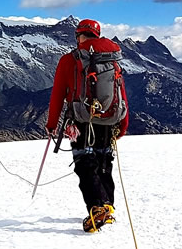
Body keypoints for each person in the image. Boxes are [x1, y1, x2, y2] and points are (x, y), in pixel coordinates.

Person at [44, 19, 130, 232]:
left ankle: (96, 207)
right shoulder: (112, 59)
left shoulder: (70, 59)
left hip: (82, 120)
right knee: (104, 161)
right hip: (109, 118)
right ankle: (107, 205)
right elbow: (120, 92)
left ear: (78, 36)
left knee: (85, 163)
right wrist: (123, 123)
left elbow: (58, 94)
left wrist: (52, 124)